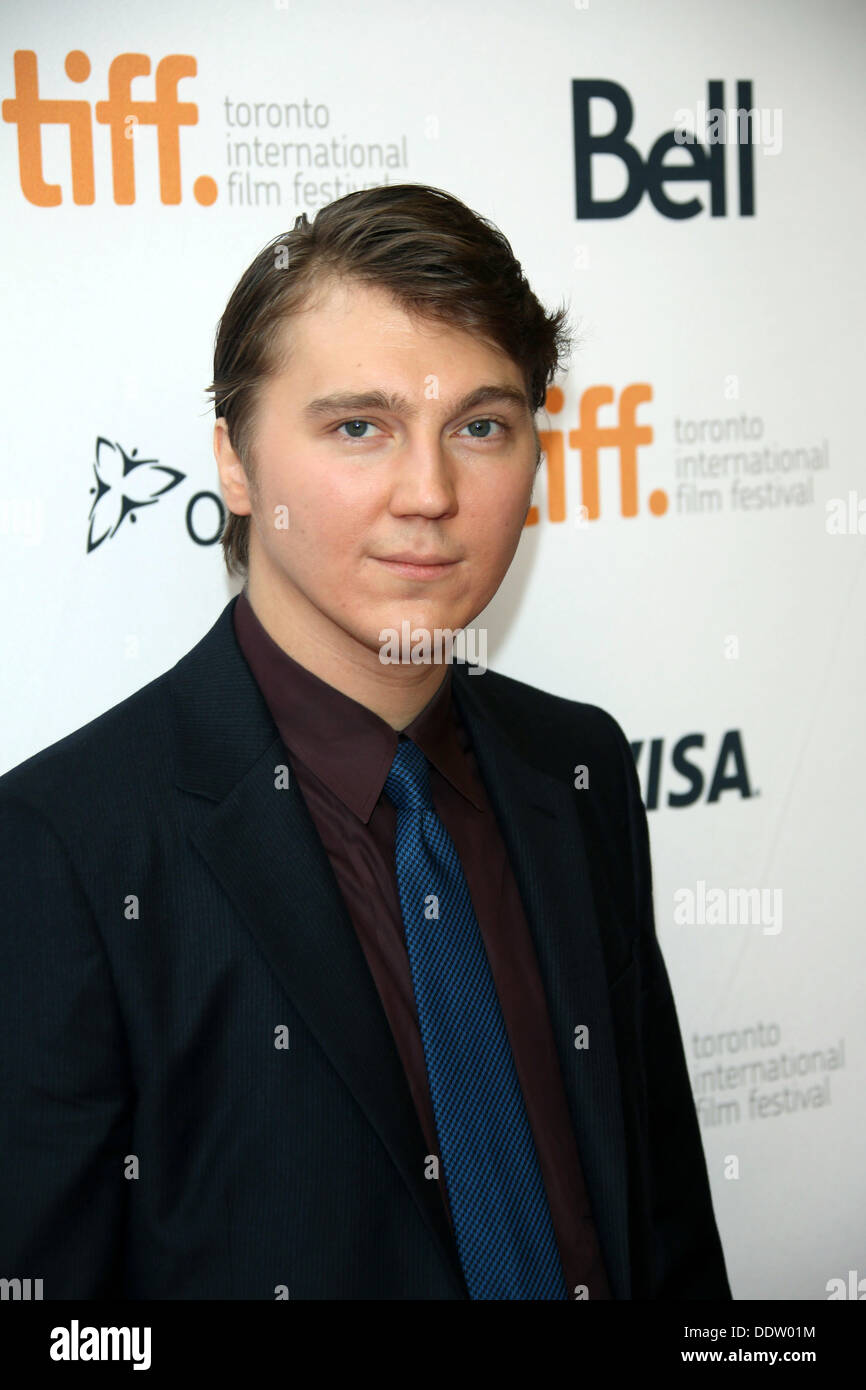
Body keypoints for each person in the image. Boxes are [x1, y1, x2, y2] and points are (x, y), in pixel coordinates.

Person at [0, 183, 730, 1300]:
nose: (430, 493)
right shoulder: (64, 851)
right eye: (359, 427)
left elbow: (667, 1231)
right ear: (235, 463)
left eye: (480, 426)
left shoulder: (575, 770)